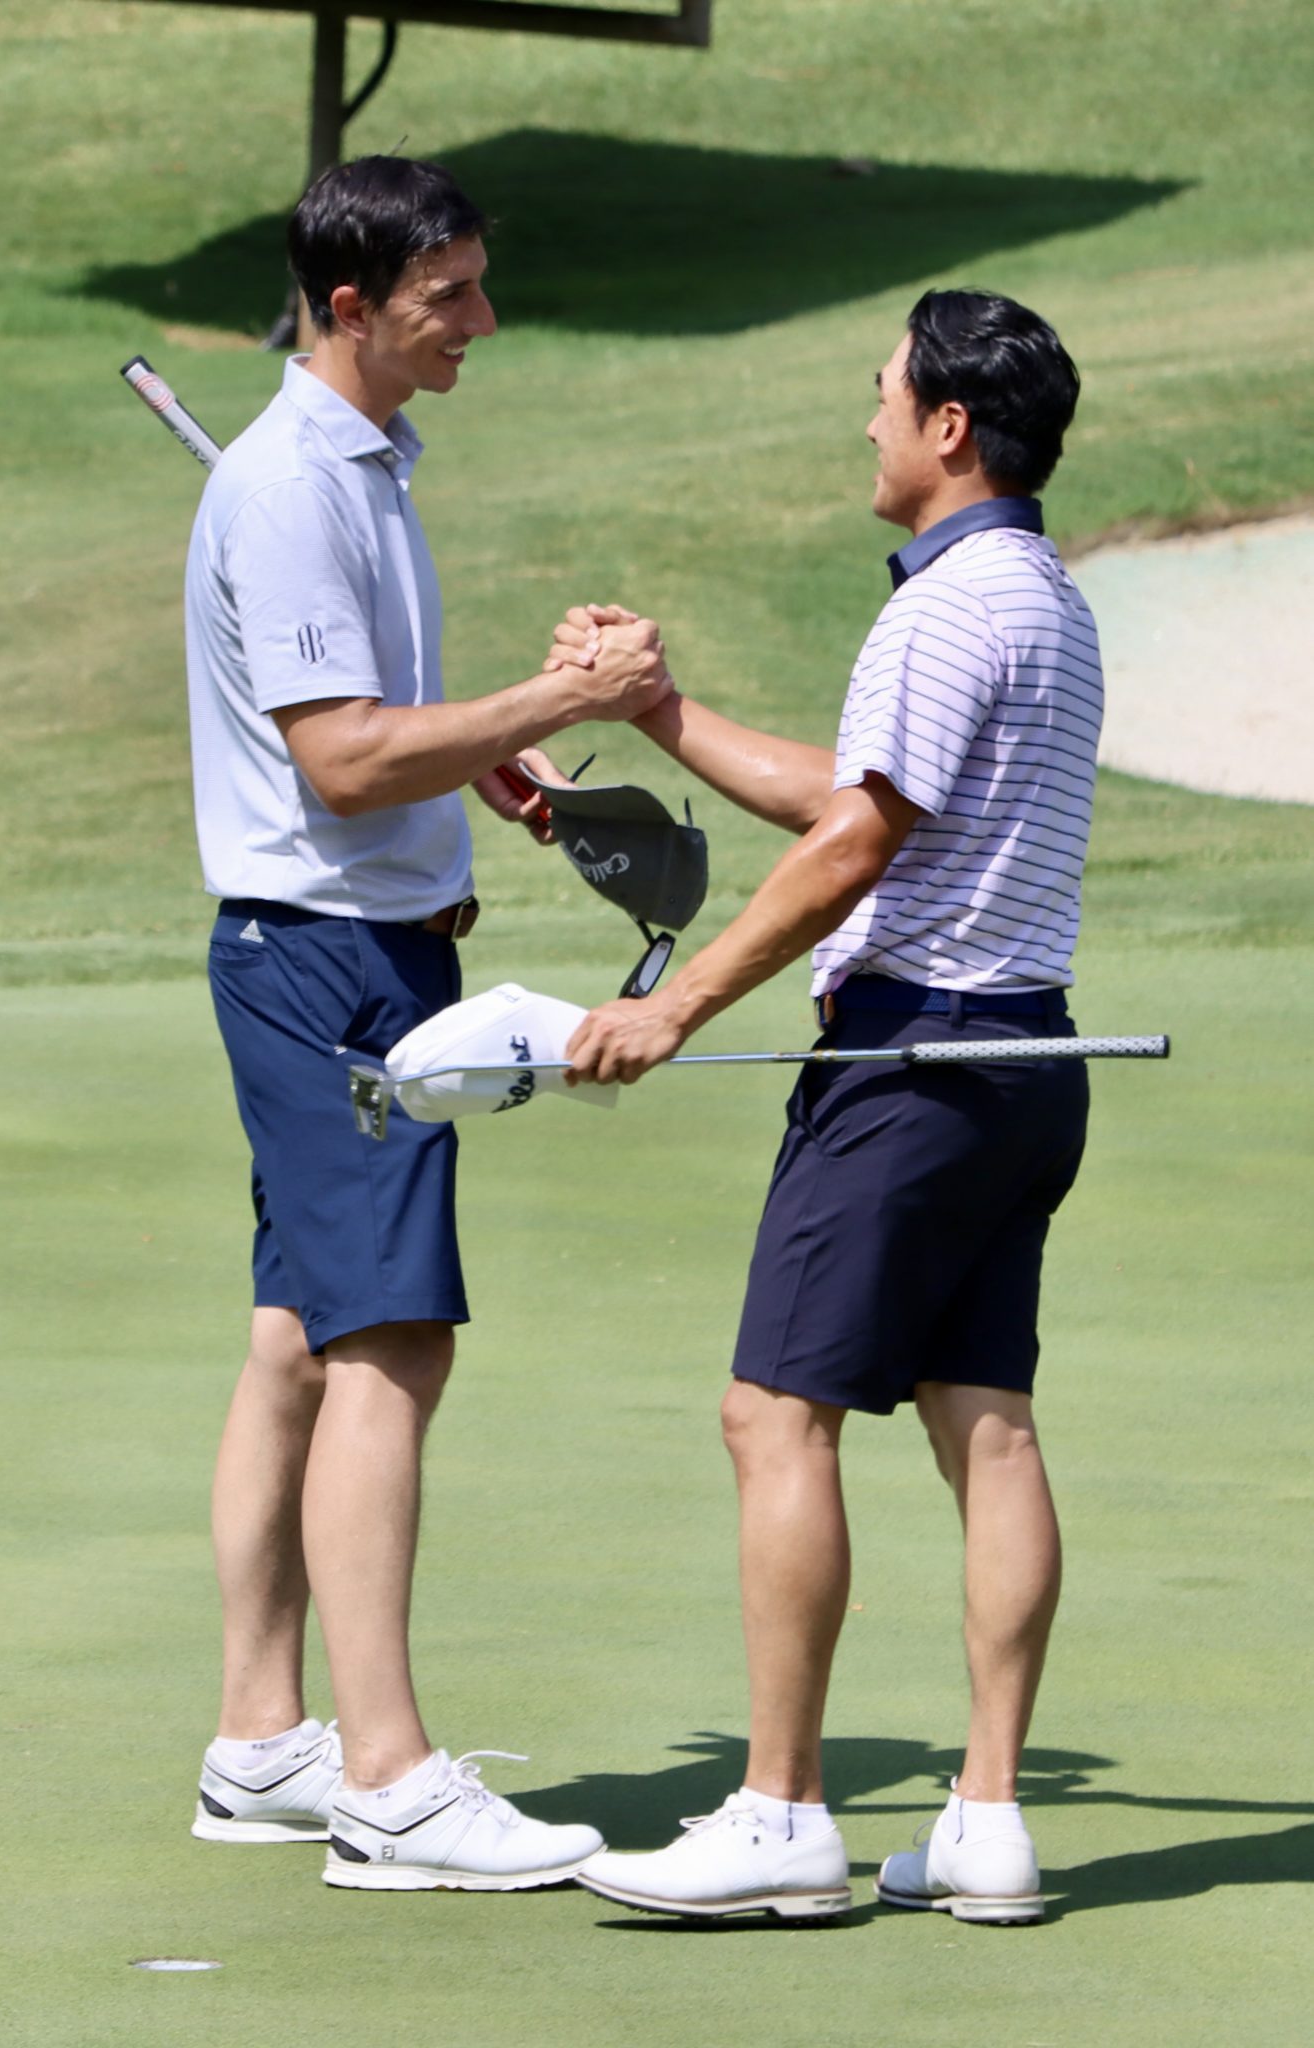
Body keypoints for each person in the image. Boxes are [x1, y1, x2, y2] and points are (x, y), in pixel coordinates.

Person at [557, 289, 1101, 1923]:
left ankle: (783, 1814)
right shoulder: (1042, 596)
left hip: (908, 1066)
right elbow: (854, 797)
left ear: (949, 428)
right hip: (1022, 1062)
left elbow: (853, 850)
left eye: (882, 395)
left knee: (772, 1415)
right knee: (983, 1424)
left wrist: (677, 1003)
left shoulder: (943, 612)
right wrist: (659, 717)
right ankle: (987, 1818)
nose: (865, 419)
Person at [182, 155, 668, 1892]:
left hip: (356, 942)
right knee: (392, 1343)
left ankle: (260, 1742)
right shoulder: (296, 487)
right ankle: (386, 1782)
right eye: (446, 294)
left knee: (299, 1343)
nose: (480, 320)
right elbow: (339, 758)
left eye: (474, 283)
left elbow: (383, 730)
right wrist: (566, 694)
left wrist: (508, 765)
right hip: (328, 963)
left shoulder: (365, 463)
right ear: (347, 307)